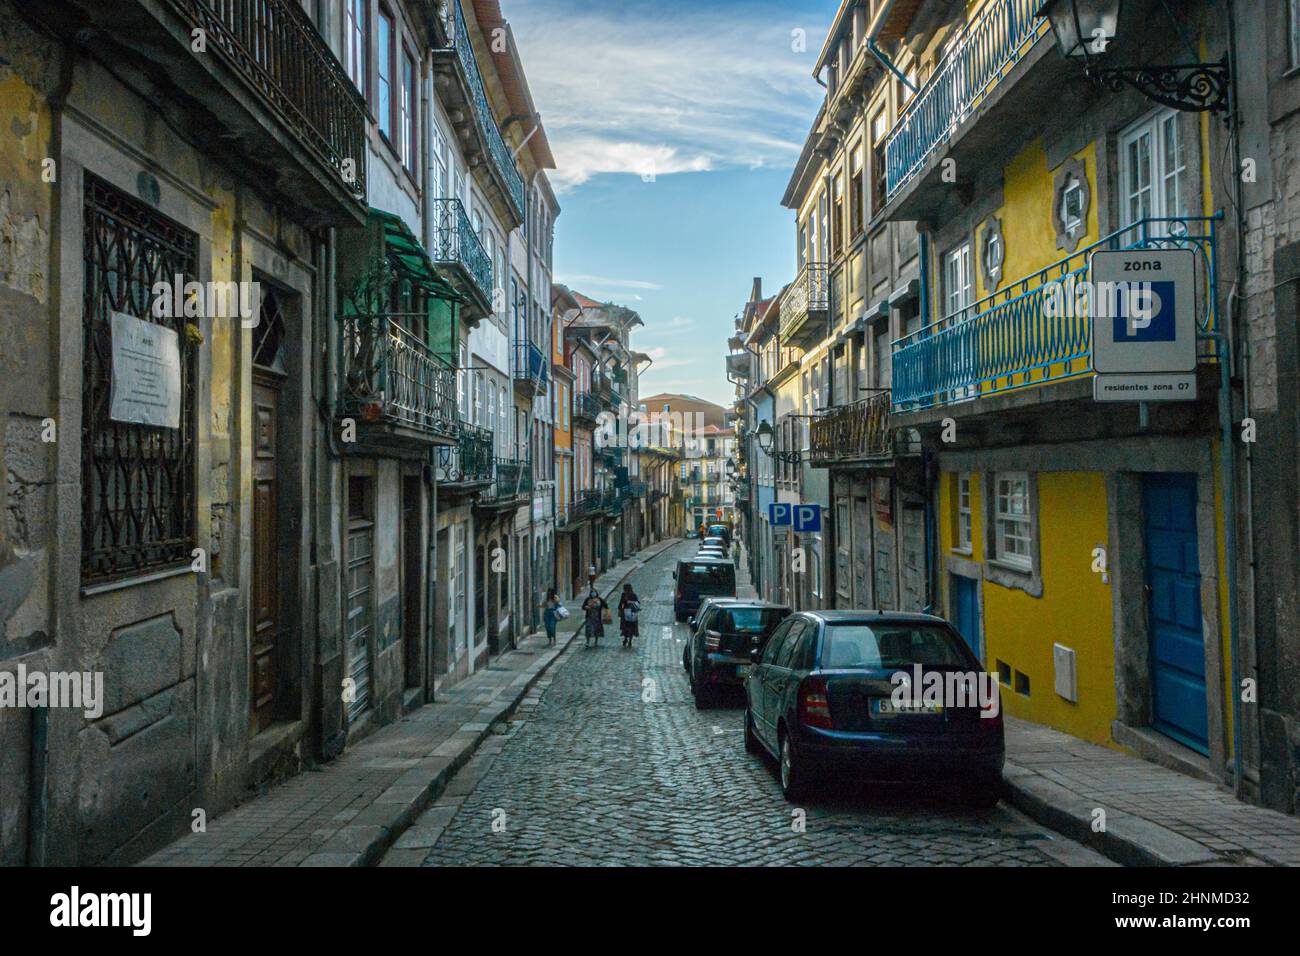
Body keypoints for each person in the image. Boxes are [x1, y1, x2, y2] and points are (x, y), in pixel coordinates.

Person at [581, 584, 606, 648]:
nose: (593, 593)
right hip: (589, 617)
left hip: (597, 617)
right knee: (588, 629)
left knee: (596, 630)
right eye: (592, 592)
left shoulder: (599, 599)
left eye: (594, 592)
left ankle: (596, 642)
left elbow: (605, 605)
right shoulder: (587, 599)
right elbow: (583, 607)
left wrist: (601, 607)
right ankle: (587, 642)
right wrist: (586, 607)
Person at [618, 583, 641, 648]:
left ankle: (629, 640)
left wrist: (630, 602)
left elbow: (637, 603)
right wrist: (620, 609)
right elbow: (621, 603)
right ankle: (626, 639)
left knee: (630, 627)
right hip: (625, 613)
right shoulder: (623, 594)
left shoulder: (633, 595)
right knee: (626, 627)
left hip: (631, 613)